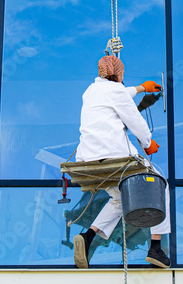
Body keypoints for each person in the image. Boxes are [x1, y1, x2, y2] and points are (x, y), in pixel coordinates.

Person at [72, 55, 170, 269]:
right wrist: (147, 143)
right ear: (117, 74)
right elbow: (134, 119)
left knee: (118, 199)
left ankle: (88, 237)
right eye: (122, 74)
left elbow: (118, 95)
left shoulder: (90, 91)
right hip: (113, 154)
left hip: (89, 159)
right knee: (160, 184)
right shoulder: (115, 91)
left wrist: (141, 88)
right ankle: (156, 247)